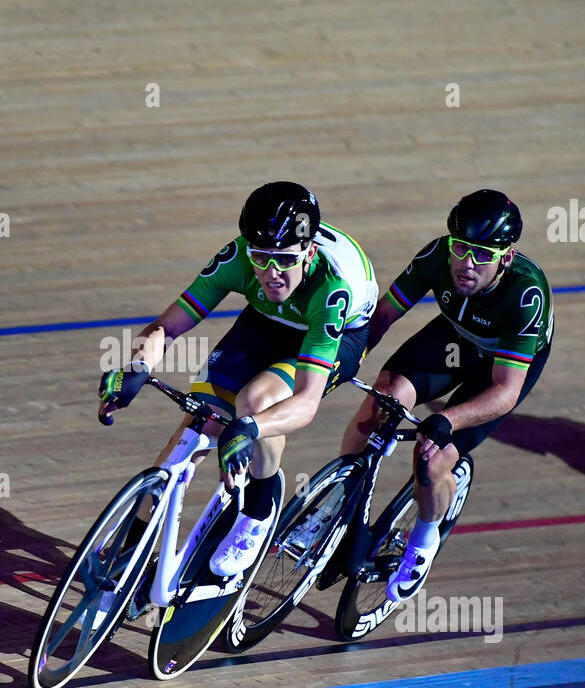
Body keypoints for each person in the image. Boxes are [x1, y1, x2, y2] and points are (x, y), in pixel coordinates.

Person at [98, 182, 377, 614]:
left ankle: (259, 510)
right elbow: (166, 327)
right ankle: (130, 551)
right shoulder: (238, 259)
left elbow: (305, 402)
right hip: (267, 320)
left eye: (284, 260)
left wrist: (249, 429)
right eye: (261, 258)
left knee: (254, 403)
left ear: (308, 252)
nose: (271, 273)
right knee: (197, 426)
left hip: (331, 334)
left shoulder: (333, 288)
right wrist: (136, 368)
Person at [337, 189, 553, 603]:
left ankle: (422, 539)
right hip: (455, 336)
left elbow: (505, 391)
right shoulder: (438, 256)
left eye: (482, 255)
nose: (466, 264)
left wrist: (448, 420)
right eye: (460, 249)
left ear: (506, 258)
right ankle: (337, 503)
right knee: (381, 400)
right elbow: (383, 315)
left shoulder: (527, 296)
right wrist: (349, 358)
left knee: (432, 455)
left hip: (503, 367)